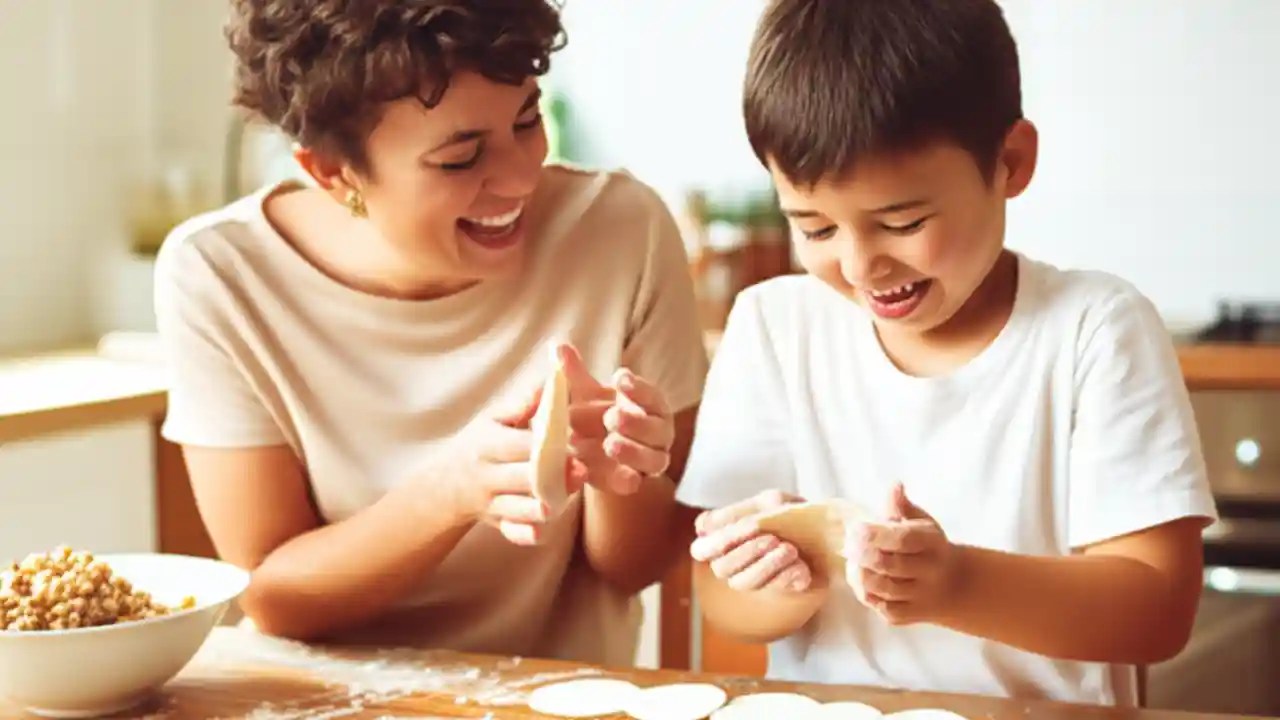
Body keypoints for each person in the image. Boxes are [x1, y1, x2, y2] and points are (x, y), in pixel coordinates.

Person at [675, 0, 1217, 707]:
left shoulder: (1096, 331)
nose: (861, 264)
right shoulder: (774, 327)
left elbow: (1158, 608)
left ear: (1011, 162)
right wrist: (773, 581)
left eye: (903, 221)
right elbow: (718, 597)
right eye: (813, 227)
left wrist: (958, 584)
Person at [153, 0, 708, 666]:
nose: (520, 176)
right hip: (323, 704)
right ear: (334, 174)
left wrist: (618, 478)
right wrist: (450, 491)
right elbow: (273, 597)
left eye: (527, 121)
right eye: (461, 159)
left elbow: (632, 568)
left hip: (559, 701)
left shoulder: (621, 231)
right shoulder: (220, 274)